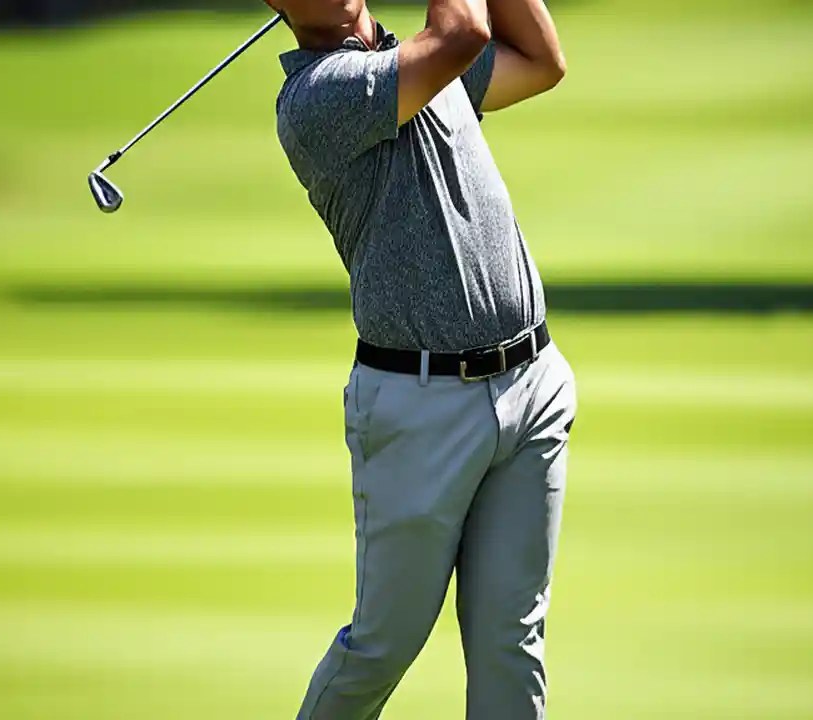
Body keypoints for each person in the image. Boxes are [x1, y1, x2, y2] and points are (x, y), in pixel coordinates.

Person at [264, 0, 573, 717]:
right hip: (421, 404)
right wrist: (451, 42)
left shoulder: (421, 66)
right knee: (383, 644)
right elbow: (463, 33)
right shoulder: (320, 96)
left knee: (511, 643)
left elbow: (542, 62)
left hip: (532, 386)